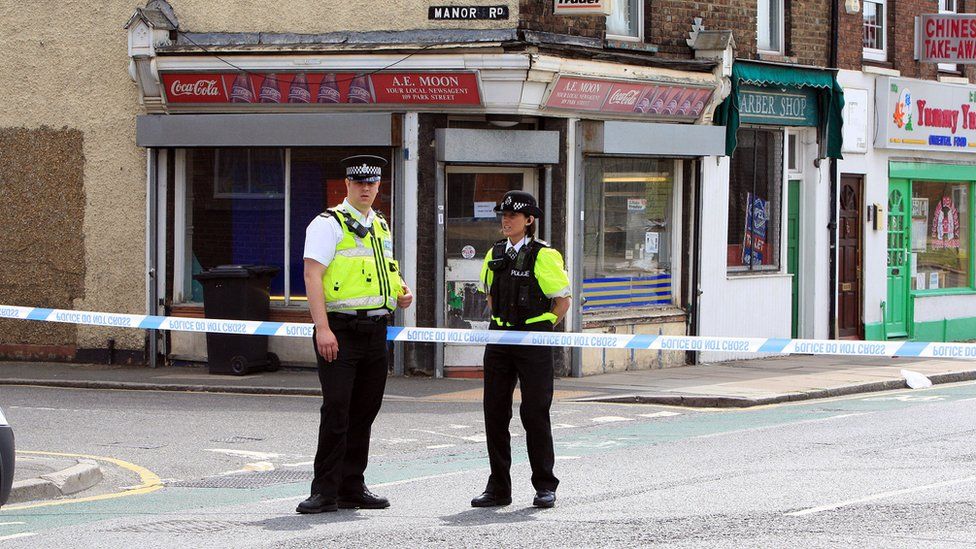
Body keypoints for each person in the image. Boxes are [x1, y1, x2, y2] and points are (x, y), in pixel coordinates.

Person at [297, 155, 413, 514]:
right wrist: (323, 328)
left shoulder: (379, 223)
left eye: (372, 183)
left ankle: (352, 486)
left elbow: (385, 268)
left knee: (364, 411)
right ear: (346, 185)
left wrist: (400, 290)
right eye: (359, 182)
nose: (366, 188)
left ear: (379, 186)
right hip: (340, 330)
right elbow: (312, 276)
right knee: (337, 410)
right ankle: (324, 490)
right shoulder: (327, 223)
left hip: (376, 330)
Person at [471, 190, 571, 509]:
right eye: (503, 215)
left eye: (512, 216)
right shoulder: (495, 252)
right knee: (495, 413)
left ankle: (545, 484)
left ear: (529, 221)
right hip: (500, 338)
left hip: (533, 340)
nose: (506, 220)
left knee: (534, 412)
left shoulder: (545, 255)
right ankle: (498, 486)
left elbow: (562, 302)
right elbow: (488, 294)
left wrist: (540, 331)